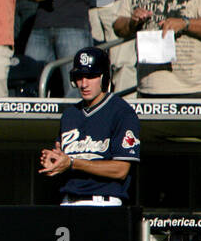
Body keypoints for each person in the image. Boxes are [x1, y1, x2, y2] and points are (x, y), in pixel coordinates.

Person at [39, 47, 142, 205]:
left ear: (104, 77)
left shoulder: (121, 112)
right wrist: (54, 162)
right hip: (68, 201)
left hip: (103, 202)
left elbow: (121, 170)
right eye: (79, 77)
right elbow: (65, 162)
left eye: (91, 76)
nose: (83, 84)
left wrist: (73, 162)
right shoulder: (70, 114)